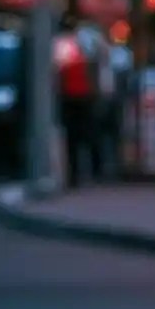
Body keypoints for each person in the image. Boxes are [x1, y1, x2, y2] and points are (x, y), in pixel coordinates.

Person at [55, 16, 102, 189]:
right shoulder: (83, 45)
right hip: (80, 96)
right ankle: (87, 172)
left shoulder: (64, 46)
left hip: (75, 96)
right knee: (84, 135)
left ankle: (79, 174)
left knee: (77, 136)